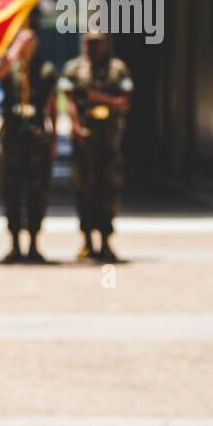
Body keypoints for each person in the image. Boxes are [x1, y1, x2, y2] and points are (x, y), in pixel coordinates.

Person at [61, 31, 132, 262]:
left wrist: (103, 100)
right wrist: (76, 127)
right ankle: (87, 241)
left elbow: (125, 102)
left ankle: (106, 241)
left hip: (108, 139)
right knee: (84, 189)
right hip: (85, 140)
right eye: (89, 43)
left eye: (98, 43)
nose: (93, 48)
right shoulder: (74, 69)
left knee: (108, 189)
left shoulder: (117, 69)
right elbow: (69, 100)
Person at [0, 28, 58, 263]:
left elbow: (51, 103)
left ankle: (33, 244)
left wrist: (54, 137)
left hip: (36, 138)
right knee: (11, 191)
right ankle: (14, 244)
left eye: (29, 40)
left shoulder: (45, 68)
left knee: (36, 192)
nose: (26, 44)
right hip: (12, 138)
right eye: (21, 39)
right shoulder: (9, 65)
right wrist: (12, 53)